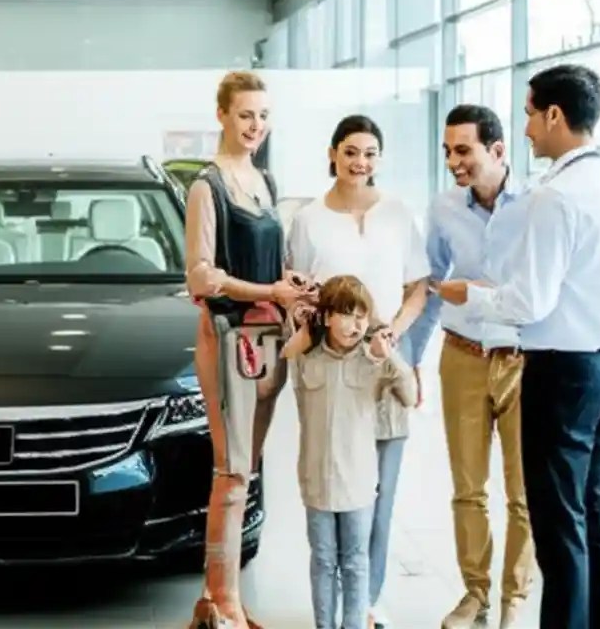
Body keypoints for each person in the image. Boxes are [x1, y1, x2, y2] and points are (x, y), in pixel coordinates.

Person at [435, 64, 600, 629]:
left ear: (555, 115)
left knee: (558, 529)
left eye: (529, 114)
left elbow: (529, 304)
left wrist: (469, 296)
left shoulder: (557, 195)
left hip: (564, 374)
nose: (525, 130)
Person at [285, 114, 429, 629]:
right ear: (332, 154)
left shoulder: (397, 214)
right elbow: (299, 292)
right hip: (330, 361)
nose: (360, 162)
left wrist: (394, 334)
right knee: (335, 476)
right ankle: (336, 606)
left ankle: (366, 600)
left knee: (381, 489)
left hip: (383, 349)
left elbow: (418, 286)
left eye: (370, 153)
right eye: (350, 152)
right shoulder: (308, 219)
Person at [184, 69, 314, 629]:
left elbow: (269, 263)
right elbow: (200, 276)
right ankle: (223, 601)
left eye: (262, 116)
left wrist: (291, 284)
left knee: (248, 471)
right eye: (245, 115)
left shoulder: (264, 181)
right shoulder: (206, 186)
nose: (255, 125)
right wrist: (268, 291)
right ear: (222, 116)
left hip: (268, 344)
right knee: (231, 473)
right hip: (228, 339)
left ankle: (229, 599)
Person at [401, 104, 534, 629]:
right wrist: (411, 358)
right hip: (461, 356)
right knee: (468, 488)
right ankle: (475, 594)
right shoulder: (442, 208)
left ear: (497, 150)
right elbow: (430, 287)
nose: (454, 162)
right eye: (448, 151)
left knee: (522, 493)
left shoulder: (536, 206)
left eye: (464, 151)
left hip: (523, 361)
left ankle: (514, 600)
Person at [280, 275, 419, 629]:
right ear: (326, 317)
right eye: (344, 314)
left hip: (358, 485)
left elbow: (410, 395)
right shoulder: (307, 357)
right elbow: (283, 354)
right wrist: (306, 328)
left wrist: (389, 357)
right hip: (316, 483)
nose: (354, 324)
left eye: (361, 316)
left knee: (356, 563)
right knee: (324, 561)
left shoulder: (372, 360)